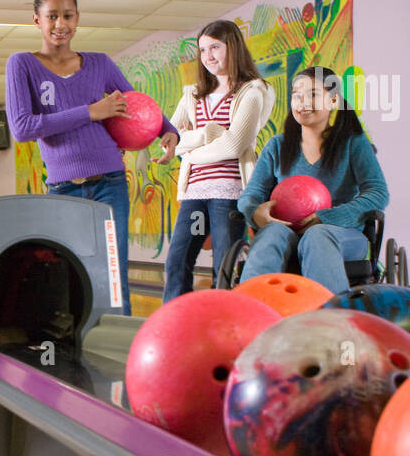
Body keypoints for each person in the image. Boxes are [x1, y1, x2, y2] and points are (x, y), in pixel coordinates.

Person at [4, 0, 179, 315]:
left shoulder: (99, 64)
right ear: (36, 20)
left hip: (109, 183)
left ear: (77, 18)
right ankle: (72, 351)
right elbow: (22, 127)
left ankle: (119, 351)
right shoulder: (22, 64)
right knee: (67, 272)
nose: (60, 24)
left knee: (113, 273)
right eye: (51, 16)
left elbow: (135, 105)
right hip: (63, 188)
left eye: (67, 16)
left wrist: (167, 131)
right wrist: (90, 112)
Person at [237, 66, 389, 295]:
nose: (302, 101)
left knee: (318, 235)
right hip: (287, 231)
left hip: (341, 235)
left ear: (334, 99)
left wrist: (326, 217)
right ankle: (248, 311)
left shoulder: (353, 143)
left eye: (313, 94)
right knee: (270, 235)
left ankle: (329, 321)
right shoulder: (277, 146)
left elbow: (378, 193)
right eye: (296, 95)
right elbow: (252, 193)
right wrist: (254, 211)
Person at [158, 20, 275, 301]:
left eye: (215, 47)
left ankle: (225, 326)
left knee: (225, 265)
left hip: (230, 191)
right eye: (202, 50)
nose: (208, 56)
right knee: (176, 262)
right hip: (194, 193)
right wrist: (210, 134)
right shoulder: (192, 95)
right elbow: (169, 138)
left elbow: (236, 144)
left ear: (232, 47)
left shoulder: (252, 91)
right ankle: (173, 328)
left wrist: (191, 144)